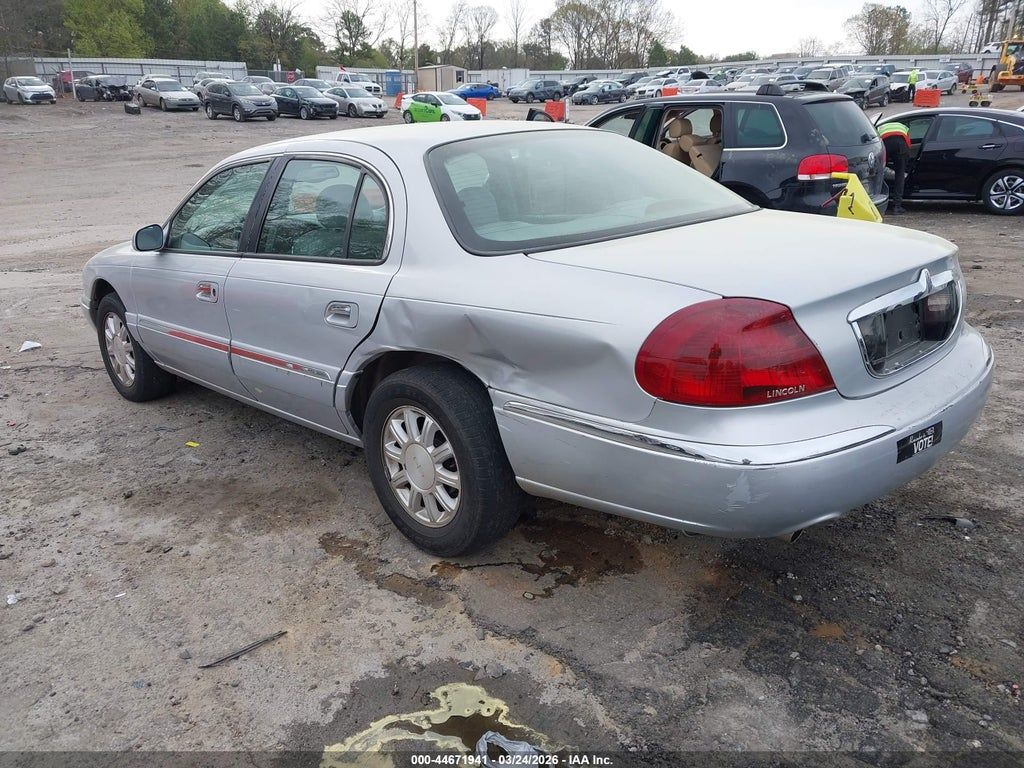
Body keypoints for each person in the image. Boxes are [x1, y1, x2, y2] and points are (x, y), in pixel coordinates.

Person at [878, 121, 910, 215]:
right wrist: (905, 162)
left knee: (880, 173)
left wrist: (883, 162)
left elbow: (877, 143)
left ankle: (879, 201)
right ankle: (897, 206)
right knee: (899, 175)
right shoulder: (904, 128)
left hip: (885, 143)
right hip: (900, 145)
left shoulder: (880, 128)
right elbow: (908, 143)